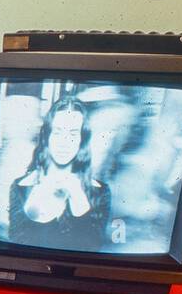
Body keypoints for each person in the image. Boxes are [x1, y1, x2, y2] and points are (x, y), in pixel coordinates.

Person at [9, 95, 111, 252]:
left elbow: (92, 249)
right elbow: (17, 248)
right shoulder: (22, 187)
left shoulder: (100, 192)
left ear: (81, 140)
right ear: (47, 137)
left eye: (73, 134)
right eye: (57, 132)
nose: (64, 142)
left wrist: (78, 196)